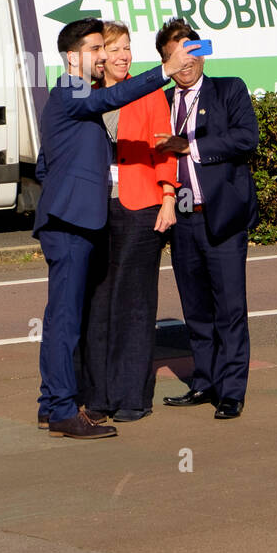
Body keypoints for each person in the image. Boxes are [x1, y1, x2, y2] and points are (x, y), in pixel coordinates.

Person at [34, 18, 198, 439]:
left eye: (105, 49)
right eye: (95, 49)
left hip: (78, 220)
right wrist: (166, 70)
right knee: (66, 320)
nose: (104, 56)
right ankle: (62, 410)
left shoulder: (78, 96)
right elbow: (120, 96)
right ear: (72, 58)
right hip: (70, 224)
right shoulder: (72, 90)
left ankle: (53, 403)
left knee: (66, 318)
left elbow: (49, 161)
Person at [154, 19, 260, 420]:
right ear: (166, 61)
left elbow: (246, 137)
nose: (188, 61)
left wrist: (191, 146)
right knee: (195, 309)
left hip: (223, 217)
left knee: (230, 308)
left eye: (193, 51)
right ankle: (204, 380)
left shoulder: (229, 89)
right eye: (178, 55)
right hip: (181, 219)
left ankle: (232, 390)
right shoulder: (161, 102)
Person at [78, 22, 178, 423]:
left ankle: (132, 397)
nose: (122, 56)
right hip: (97, 210)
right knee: (99, 304)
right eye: (114, 49)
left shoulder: (150, 91)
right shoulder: (88, 96)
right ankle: (99, 397)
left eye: (126, 49)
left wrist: (168, 197)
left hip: (141, 208)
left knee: (134, 305)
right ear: (99, 57)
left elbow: (166, 147)